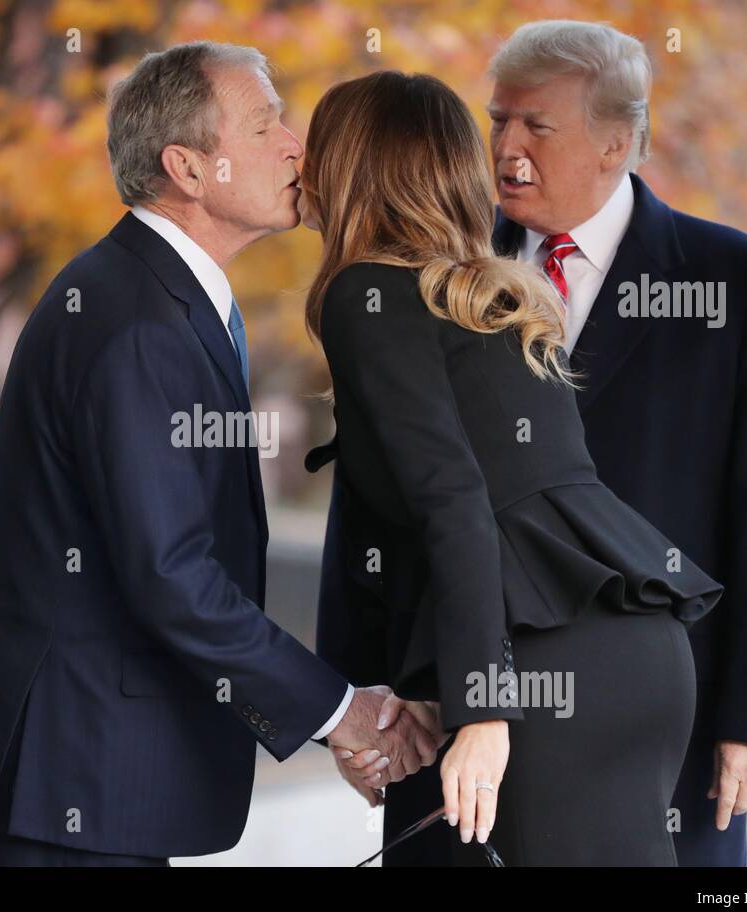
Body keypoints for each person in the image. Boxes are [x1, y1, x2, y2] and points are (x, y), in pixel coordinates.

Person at [0, 42, 441, 867]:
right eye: (264, 124)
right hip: (75, 781)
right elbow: (172, 575)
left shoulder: (159, 295)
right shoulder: (137, 324)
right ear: (188, 167)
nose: (295, 145)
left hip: (99, 773)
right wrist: (341, 714)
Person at [300, 70, 723, 865]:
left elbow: (456, 501)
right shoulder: (494, 300)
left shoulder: (366, 293)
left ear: (349, 165)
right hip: (639, 659)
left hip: (538, 678)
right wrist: (406, 704)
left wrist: (485, 711)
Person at [485, 20, 747, 866]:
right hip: (465, 715)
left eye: (537, 126)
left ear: (616, 143)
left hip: (667, 731)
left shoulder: (740, 281)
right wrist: (366, 685)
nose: (507, 147)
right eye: (498, 120)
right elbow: (377, 486)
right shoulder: (444, 266)